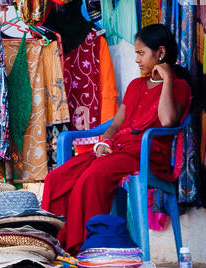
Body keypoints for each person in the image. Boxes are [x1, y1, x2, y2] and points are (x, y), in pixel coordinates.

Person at [41, 24, 192, 255]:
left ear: (160, 52)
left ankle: (87, 248)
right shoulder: (135, 85)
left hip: (146, 153)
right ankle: (55, 244)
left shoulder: (179, 87)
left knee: (91, 178)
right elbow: (116, 123)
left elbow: (169, 121)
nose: (137, 60)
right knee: (57, 178)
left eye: (141, 53)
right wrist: (105, 142)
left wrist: (168, 79)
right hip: (119, 149)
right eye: (136, 54)